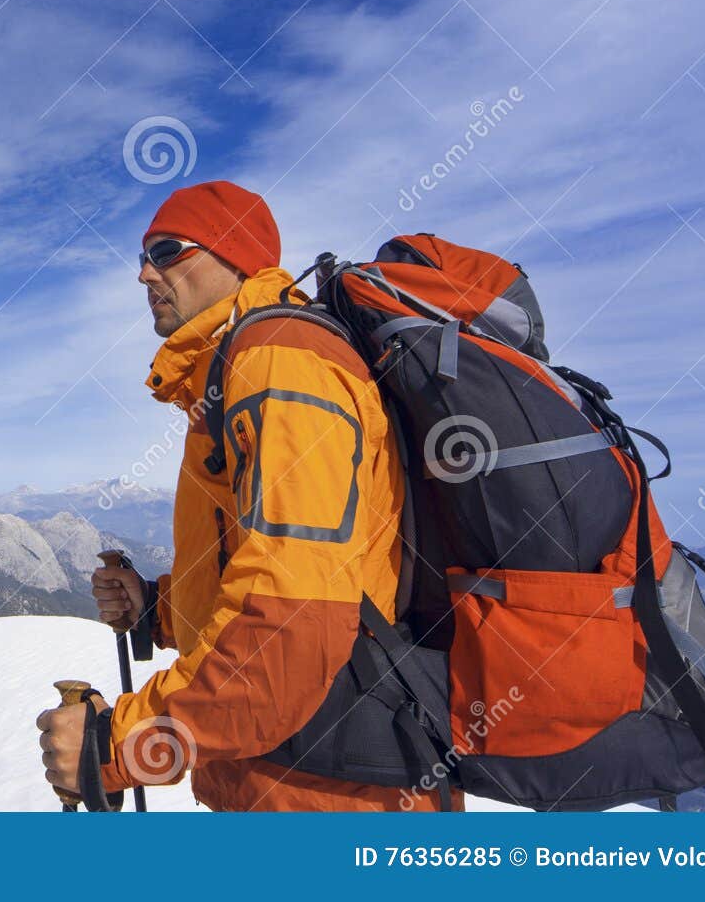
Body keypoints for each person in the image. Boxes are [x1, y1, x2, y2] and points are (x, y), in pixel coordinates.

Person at [37, 179, 436, 811]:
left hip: (330, 790)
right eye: (144, 256)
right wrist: (157, 609)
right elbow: (271, 571)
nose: (144, 274)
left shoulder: (279, 363)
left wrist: (116, 746)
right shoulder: (233, 372)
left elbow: (288, 632)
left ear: (235, 254)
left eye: (167, 251)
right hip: (287, 774)